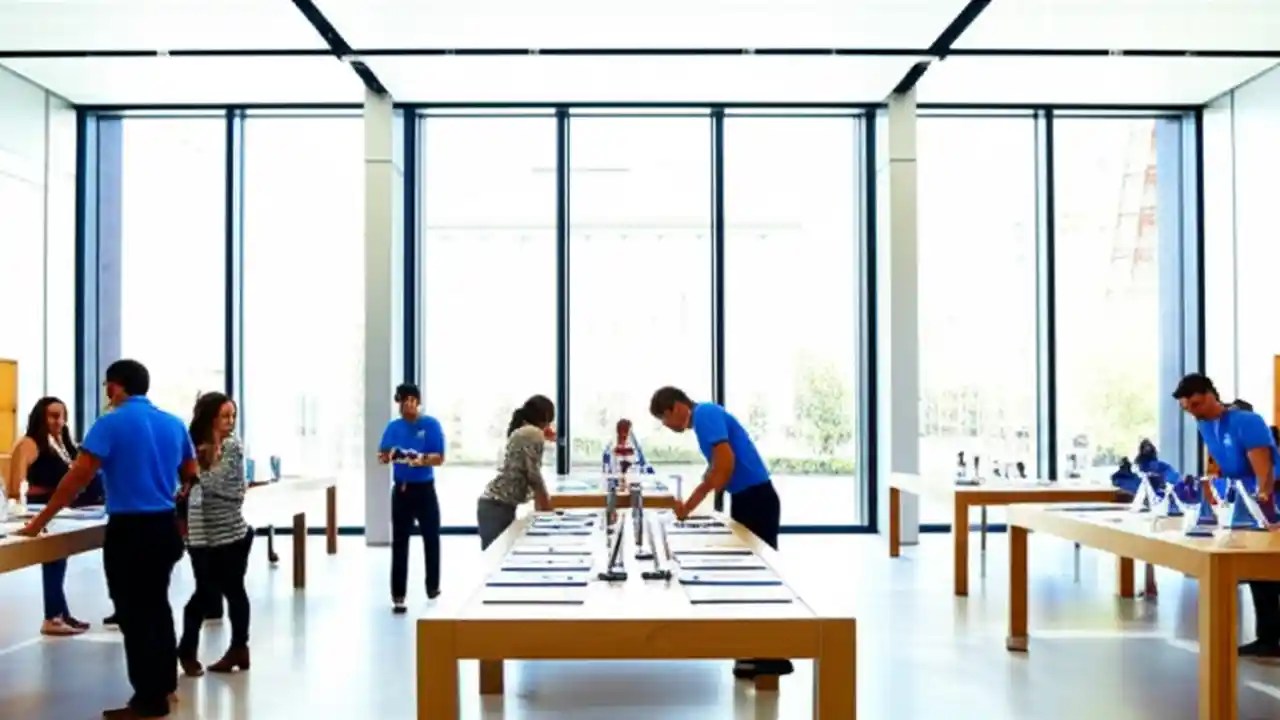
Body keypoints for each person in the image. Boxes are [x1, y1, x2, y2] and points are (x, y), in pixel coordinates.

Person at [17, 360, 194, 719]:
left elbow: (76, 479)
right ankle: (164, 684)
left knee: (133, 613)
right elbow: (190, 475)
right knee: (157, 607)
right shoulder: (174, 424)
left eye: (106, 387)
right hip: (163, 528)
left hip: (131, 531)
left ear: (115, 387)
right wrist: (179, 517)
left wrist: (38, 522)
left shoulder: (110, 423)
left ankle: (147, 699)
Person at [649, 385, 793, 680]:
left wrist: (692, 505)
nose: (666, 425)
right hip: (745, 497)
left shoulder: (706, 415)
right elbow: (716, 469)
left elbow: (724, 466)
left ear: (676, 407)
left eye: (664, 418)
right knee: (748, 574)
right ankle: (757, 649)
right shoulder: (704, 420)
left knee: (761, 576)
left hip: (757, 498)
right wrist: (694, 501)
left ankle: (775, 654)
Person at [1173, 372, 1280, 658]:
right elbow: (1220, 464)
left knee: (1271, 569)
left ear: (1210, 394)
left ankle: (1271, 636)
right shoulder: (1204, 425)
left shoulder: (1247, 421)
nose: (1192, 412)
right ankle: (1269, 638)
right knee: (1260, 573)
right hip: (1241, 501)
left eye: (1196, 404)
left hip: (1266, 499)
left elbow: (1265, 472)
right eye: (1187, 408)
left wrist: (1264, 507)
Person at [5, 396, 104, 636]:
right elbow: (15, 484)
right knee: (53, 561)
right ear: (41, 417)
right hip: (44, 510)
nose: (59, 421)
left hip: (69, 512)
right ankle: (53, 616)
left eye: (62, 416)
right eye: (53, 416)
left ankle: (61, 611)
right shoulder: (29, 443)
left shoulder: (64, 445)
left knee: (59, 560)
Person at [177, 393, 258, 677]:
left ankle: (236, 647)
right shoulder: (192, 445)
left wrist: (197, 477)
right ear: (210, 417)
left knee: (230, 592)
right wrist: (193, 479)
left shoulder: (233, 447)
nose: (230, 421)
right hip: (201, 536)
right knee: (206, 594)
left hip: (231, 534)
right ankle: (190, 650)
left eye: (232, 416)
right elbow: (185, 484)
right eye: (224, 416)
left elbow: (232, 488)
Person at [376, 383, 445, 614]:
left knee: (431, 538)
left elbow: (439, 457)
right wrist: (391, 455)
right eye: (401, 402)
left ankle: (433, 587)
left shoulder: (431, 425)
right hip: (402, 490)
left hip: (425, 488)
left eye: (409, 401)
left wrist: (422, 459)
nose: (405, 406)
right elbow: (382, 455)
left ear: (417, 401)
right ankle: (398, 594)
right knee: (400, 542)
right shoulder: (393, 427)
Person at [477, 395, 556, 550]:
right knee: (496, 562)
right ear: (546, 416)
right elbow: (534, 475)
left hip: (494, 504)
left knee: (496, 559)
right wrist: (547, 509)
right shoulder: (532, 433)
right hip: (498, 507)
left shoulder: (524, 431)